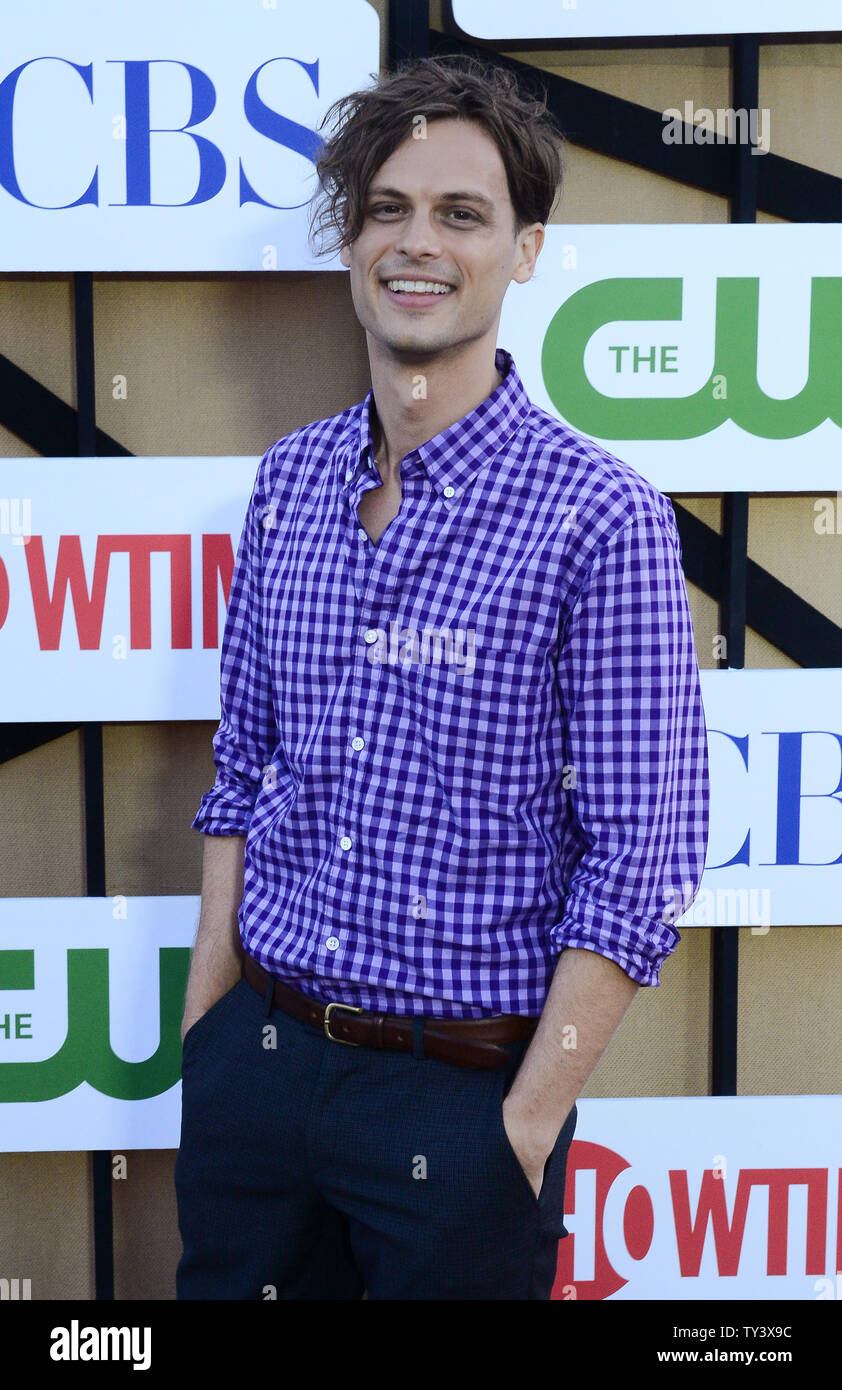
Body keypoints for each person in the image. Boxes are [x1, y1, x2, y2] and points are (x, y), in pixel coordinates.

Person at [174, 53, 710, 1301]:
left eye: (461, 213)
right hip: (258, 1066)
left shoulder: (600, 518)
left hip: (460, 1105)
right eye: (387, 209)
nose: (418, 243)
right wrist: (212, 1036)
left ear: (524, 248)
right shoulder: (290, 483)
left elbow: (642, 853)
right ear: (351, 239)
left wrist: (521, 1128)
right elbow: (240, 772)